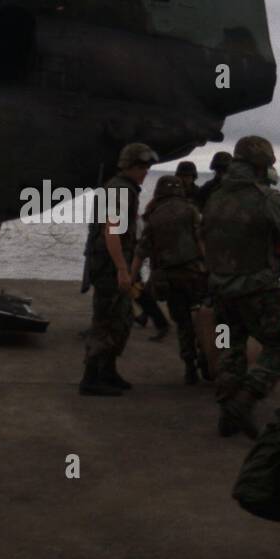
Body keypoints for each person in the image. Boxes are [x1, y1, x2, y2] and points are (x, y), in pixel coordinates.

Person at [201, 136, 280, 438]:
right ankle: (244, 401)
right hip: (257, 288)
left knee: (231, 348)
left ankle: (228, 412)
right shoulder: (265, 196)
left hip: (220, 287)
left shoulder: (215, 195)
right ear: (262, 165)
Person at [79, 142, 157, 396]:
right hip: (110, 268)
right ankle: (91, 378)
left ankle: (108, 371)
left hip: (111, 264)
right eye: (142, 166)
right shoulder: (121, 191)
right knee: (105, 321)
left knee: (121, 320)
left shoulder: (122, 188)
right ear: (131, 166)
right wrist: (123, 270)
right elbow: (112, 232)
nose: (146, 171)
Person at [131, 175, 209, 383]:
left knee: (183, 323)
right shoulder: (190, 210)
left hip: (168, 279)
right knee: (205, 319)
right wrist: (210, 268)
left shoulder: (154, 215)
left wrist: (129, 276)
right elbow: (201, 241)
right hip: (195, 275)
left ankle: (189, 366)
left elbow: (142, 250)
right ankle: (208, 359)